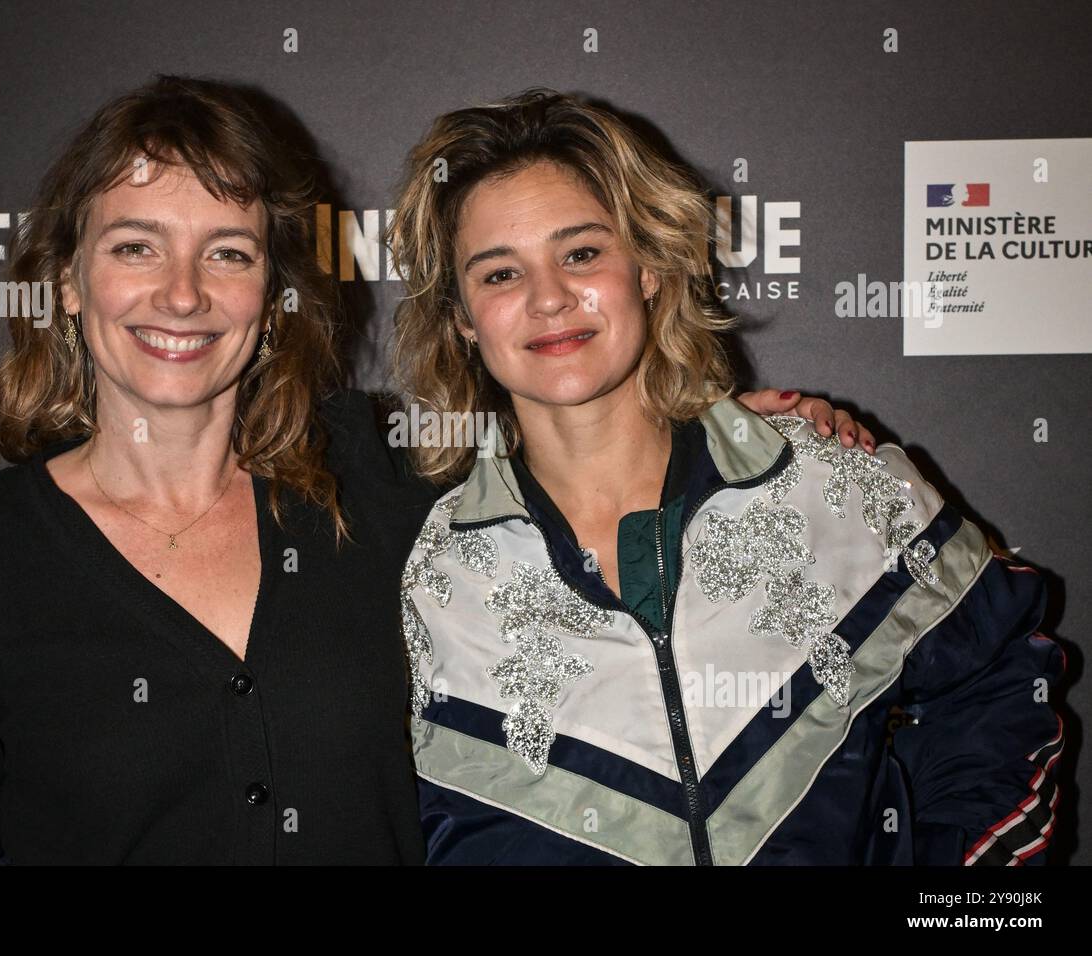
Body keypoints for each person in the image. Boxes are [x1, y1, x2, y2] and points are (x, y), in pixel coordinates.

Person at [0, 75, 871, 865]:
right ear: (68, 281)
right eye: (136, 246)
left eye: (226, 252)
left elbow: (591, 444)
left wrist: (736, 433)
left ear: (273, 293)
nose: (181, 295)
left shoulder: (384, 482)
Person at [388, 89, 1065, 865]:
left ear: (647, 266)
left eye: (581, 253)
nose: (548, 299)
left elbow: (1000, 682)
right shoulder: (424, 569)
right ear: (464, 318)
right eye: (500, 275)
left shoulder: (826, 482)